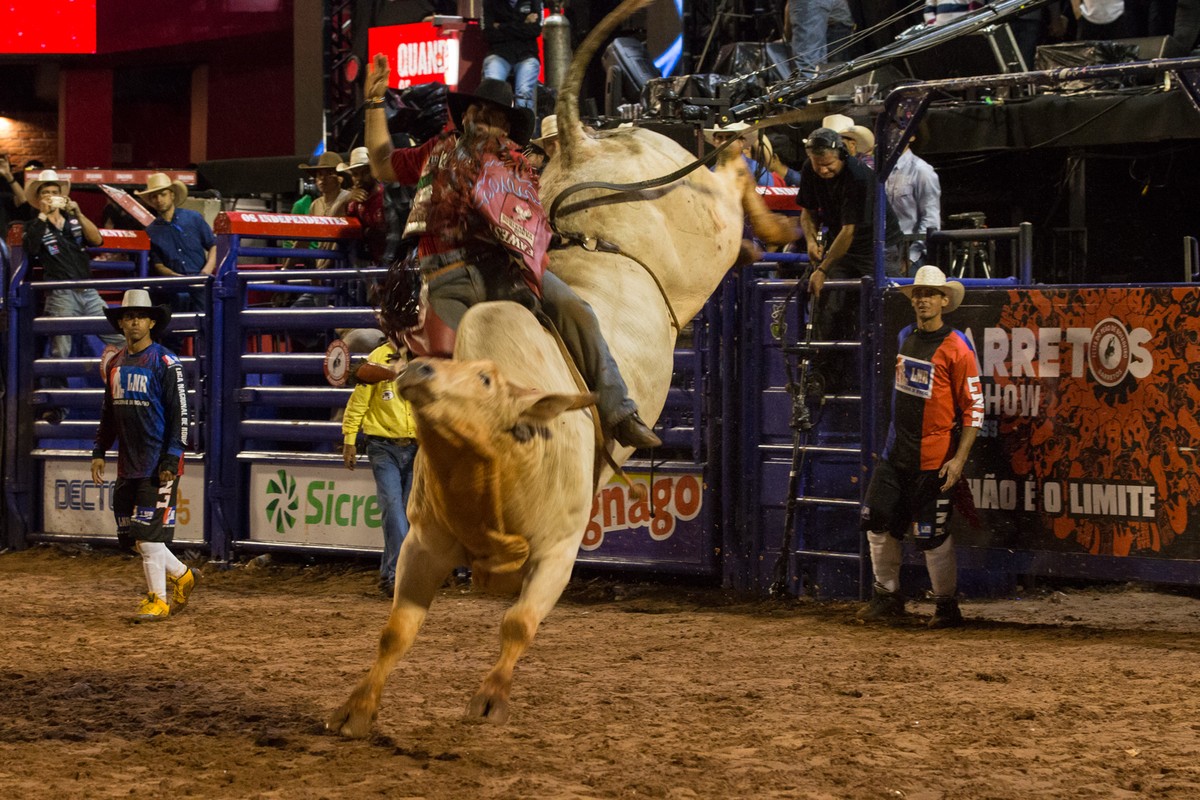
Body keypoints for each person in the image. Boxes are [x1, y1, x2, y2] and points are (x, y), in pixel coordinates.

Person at [363, 57, 660, 449]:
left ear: (506, 128)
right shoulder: (436, 150)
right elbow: (382, 163)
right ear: (464, 114)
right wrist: (373, 104)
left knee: (576, 310)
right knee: (444, 369)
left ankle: (619, 412)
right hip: (444, 279)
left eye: (494, 115)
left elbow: (528, 230)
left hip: (504, 272)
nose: (483, 119)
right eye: (478, 110)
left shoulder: (520, 172)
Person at [857, 265, 983, 628]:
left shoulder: (957, 348)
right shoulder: (905, 337)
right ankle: (887, 595)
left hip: (934, 458)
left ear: (944, 301)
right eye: (918, 294)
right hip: (897, 454)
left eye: (929, 294)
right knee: (877, 520)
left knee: (931, 535)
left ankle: (946, 606)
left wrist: (958, 460)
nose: (922, 300)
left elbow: (974, 407)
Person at [91, 289, 197, 623]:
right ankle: (181, 574)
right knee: (132, 537)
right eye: (128, 316)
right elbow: (109, 412)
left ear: (151, 322)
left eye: (140, 316)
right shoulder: (116, 363)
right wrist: (99, 450)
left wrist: (171, 457)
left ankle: (158, 600)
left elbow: (181, 413)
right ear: (121, 323)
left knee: (148, 537)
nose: (134, 322)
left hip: (158, 464)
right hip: (129, 463)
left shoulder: (166, 363)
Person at [22, 169, 123, 422]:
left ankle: (128, 397)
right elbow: (31, 247)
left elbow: (97, 239)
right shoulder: (35, 225)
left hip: (87, 290)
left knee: (120, 338)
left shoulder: (74, 221)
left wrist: (78, 212)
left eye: (54, 192)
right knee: (60, 351)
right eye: (46, 193)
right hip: (60, 291)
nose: (51, 196)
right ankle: (58, 406)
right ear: (39, 198)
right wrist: (44, 215)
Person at [341, 338, 418, 597]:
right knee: (395, 510)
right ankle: (399, 576)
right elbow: (359, 401)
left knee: (404, 514)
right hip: (383, 445)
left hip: (415, 447)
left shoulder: (422, 355)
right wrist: (350, 439)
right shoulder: (379, 357)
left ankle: (389, 575)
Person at [139, 172, 216, 312]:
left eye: (163, 194)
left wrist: (206, 272)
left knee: (206, 320)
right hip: (174, 285)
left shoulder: (193, 218)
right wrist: (176, 278)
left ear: (172, 195)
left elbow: (213, 245)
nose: (159, 199)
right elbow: (158, 264)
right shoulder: (151, 231)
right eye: (154, 197)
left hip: (200, 280)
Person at [885, 142, 941, 271]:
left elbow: (931, 219)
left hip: (909, 253)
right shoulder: (881, 169)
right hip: (886, 252)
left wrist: (911, 257)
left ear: (911, 136)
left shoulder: (921, 170)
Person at [482, 0, 543, 117]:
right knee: (492, 87)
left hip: (526, 55)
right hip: (499, 54)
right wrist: (523, 22)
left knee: (524, 91)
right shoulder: (489, 2)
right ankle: (494, 126)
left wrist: (501, 26)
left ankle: (523, 131)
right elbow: (488, 34)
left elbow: (535, 30)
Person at [338, 146, 388, 265]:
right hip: (367, 263)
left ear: (373, 171)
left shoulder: (386, 195)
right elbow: (338, 223)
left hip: (391, 260)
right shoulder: (353, 201)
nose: (359, 179)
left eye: (365, 172)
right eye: (355, 174)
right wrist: (345, 200)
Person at [704, 122, 780, 187]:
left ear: (741, 142)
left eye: (729, 138)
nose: (724, 142)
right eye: (720, 138)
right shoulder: (712, 171)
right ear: (714, 142)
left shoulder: (756, 170)